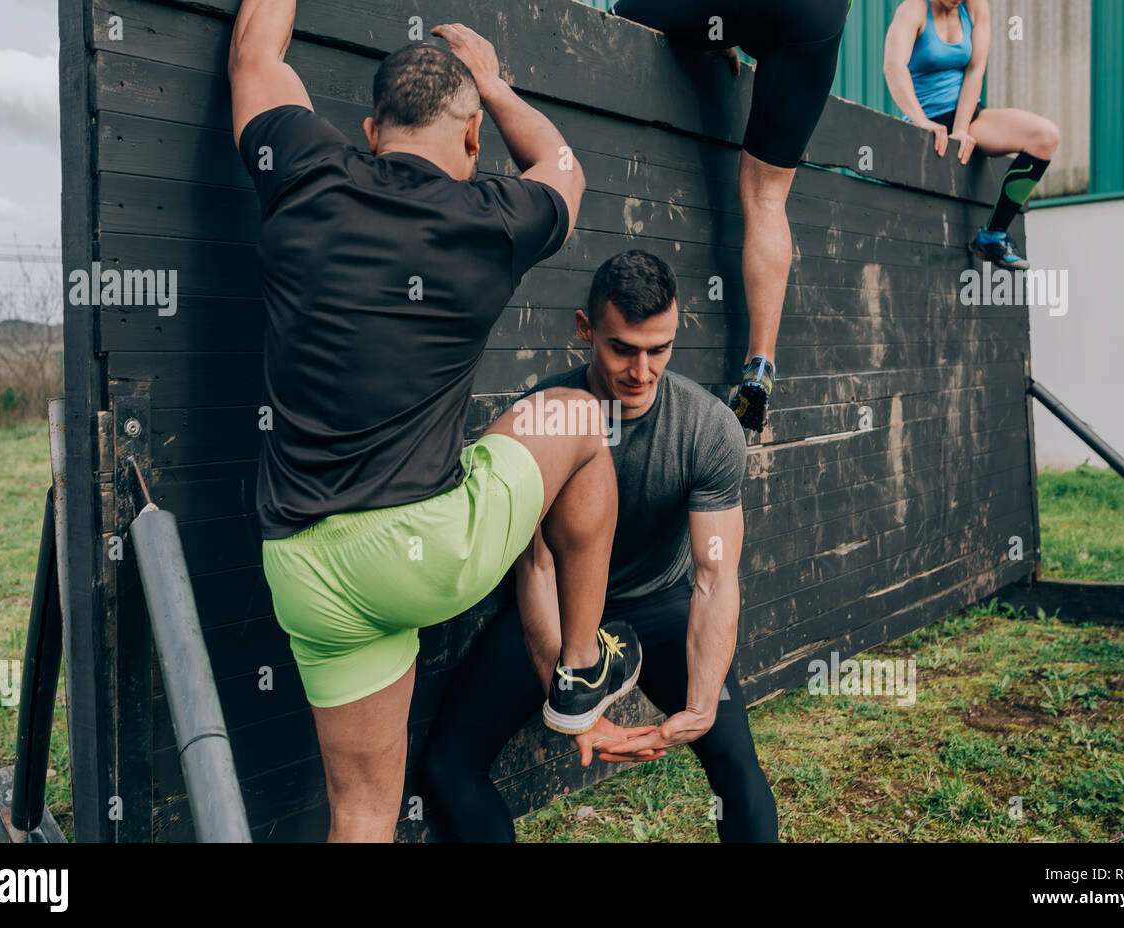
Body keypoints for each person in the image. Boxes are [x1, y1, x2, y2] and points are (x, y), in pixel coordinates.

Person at [228, 0, 640, 842]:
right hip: (423, 553)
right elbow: (564, 166)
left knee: (362, 815)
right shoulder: (495, 218)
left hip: (304, 567)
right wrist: (493, 84)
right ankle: (579, 667)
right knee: (581, 418)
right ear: (472, 141)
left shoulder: (305, 169)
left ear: (372, 129)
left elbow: (252, 53)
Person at [422, 250, 780, 843]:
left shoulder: (709, 426)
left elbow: (716, 577)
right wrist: (572, 701)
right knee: (446, 767)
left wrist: (705, 697)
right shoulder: (545, 418)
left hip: (659, 602)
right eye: (622, 348)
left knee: (736, 765)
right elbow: (535, 569)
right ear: (586, 331)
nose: (642, 371)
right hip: (562, 607)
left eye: (658, 349)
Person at [609, 0, 851, 432]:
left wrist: (714, 30)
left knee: (626, 8)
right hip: (821, 19)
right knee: (768, 197)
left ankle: (714, 33)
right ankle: (760, 364)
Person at [883, 0, 1060, 270]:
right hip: (925, 119)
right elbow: (894, 67)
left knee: (1045, 136)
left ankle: (992, 235)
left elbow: (975, 70)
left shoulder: (975, 7)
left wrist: (962, 128)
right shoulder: (914, 9)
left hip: (966, 117)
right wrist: (921, 121)